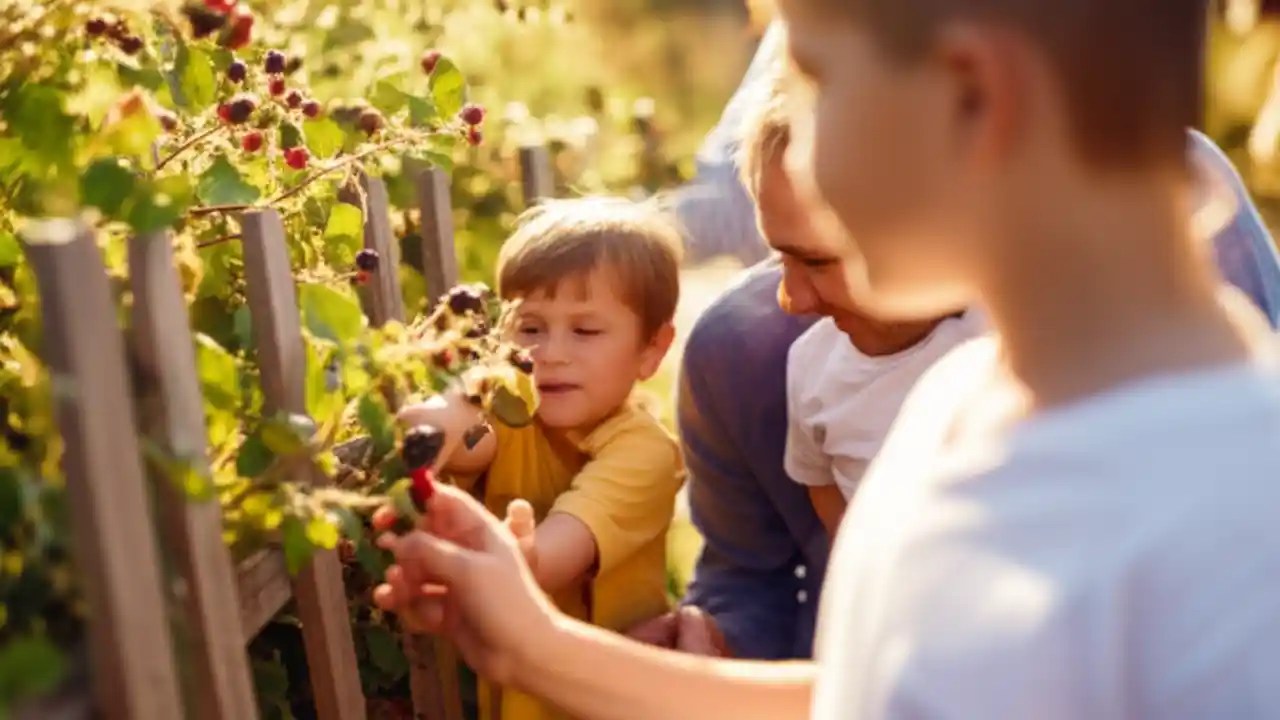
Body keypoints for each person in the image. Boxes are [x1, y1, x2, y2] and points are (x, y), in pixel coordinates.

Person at [372, 0, 1280, 717]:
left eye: (814, 84)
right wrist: (535, 647)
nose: (782, 152)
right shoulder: (958, 405)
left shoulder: (1234, 535)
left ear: (973, 99)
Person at [395, 196, 686, 720]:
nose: (550, 352)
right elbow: (460, 437)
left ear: (651, 350)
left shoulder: (644, 453)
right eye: (530, 328)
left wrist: (511, 557)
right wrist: (453, 404)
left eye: (585, 330)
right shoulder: (513, 417)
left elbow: (544, 564)